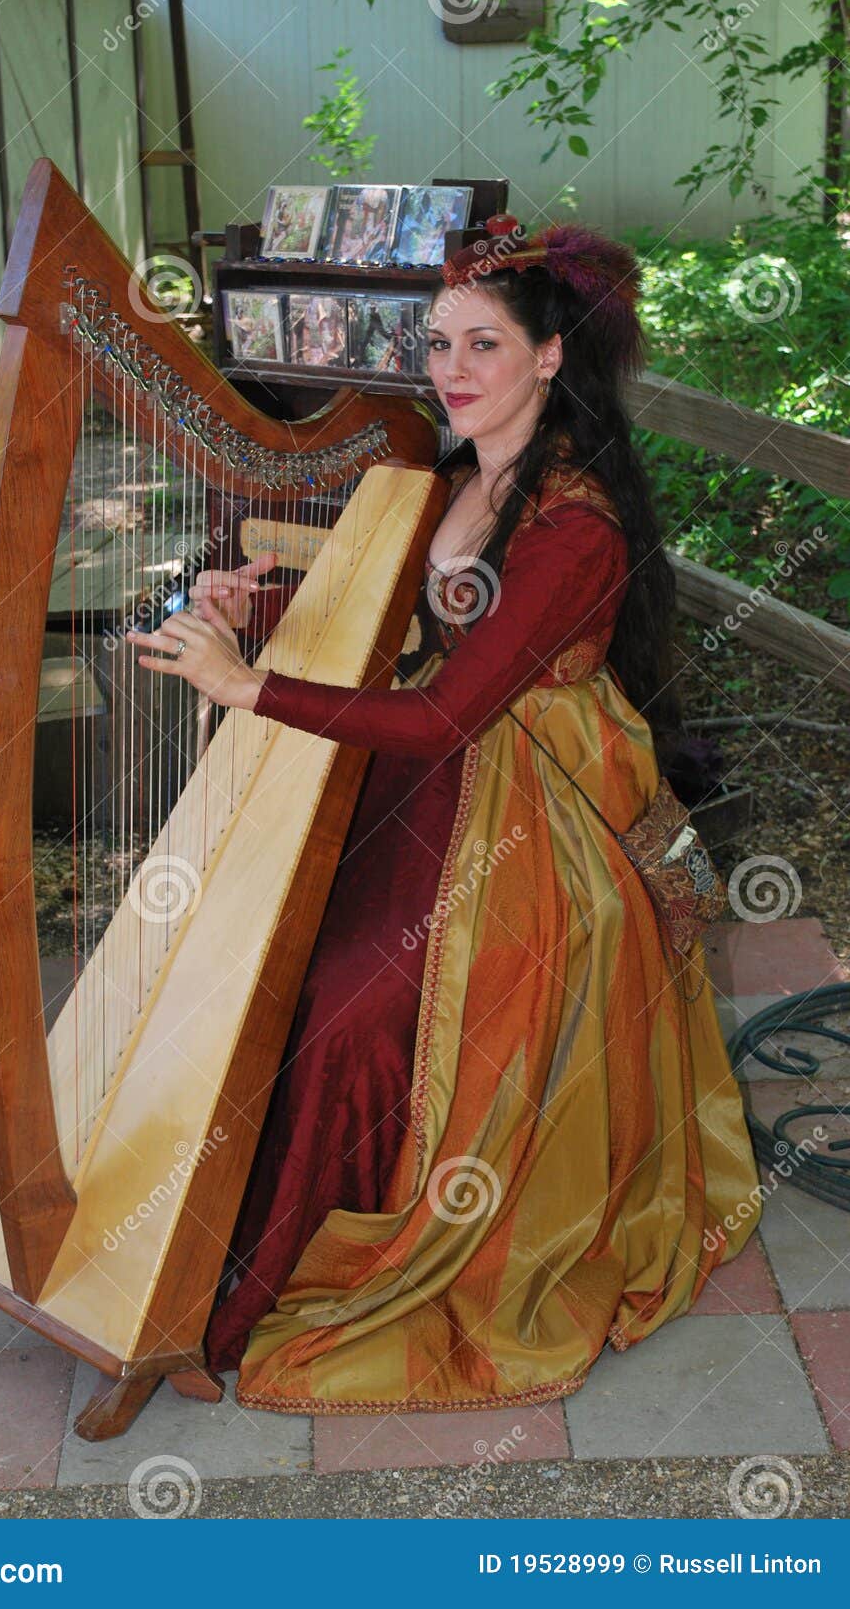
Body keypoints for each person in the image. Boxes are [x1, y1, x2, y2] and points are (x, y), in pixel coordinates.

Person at [129, 216, 763, 1417]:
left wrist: (245, 687)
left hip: (541, 806)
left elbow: (444, 716)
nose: (452, 369)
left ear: (549, 360)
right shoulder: (460, 480)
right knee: (291, 952)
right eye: (436, 343)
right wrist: (245, 617)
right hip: (442, 769)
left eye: (483, 344)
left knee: (355, 999)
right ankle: (221, 1221)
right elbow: (403, 641)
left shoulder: (574, 524)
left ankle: (324, 1243)